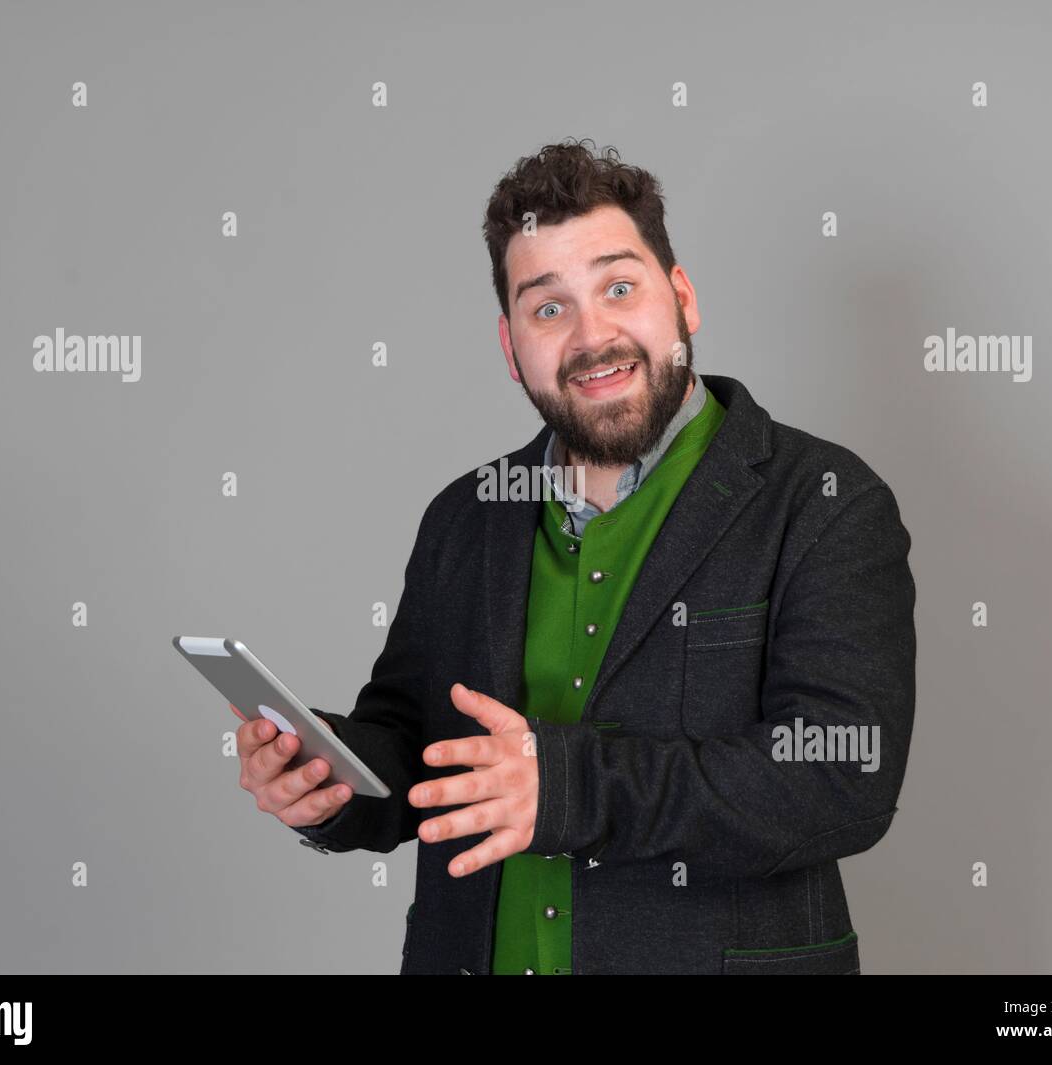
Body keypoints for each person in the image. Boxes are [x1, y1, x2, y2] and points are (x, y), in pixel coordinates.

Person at [237, 138, 916, 975]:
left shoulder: (824, 502)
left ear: (683, 298)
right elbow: (421, 748)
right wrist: (333, 778)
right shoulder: (463, 517)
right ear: (510, 343)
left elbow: (843, 774)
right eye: (548, 308)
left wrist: (566, 787)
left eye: (619, 288)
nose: (592, 337)